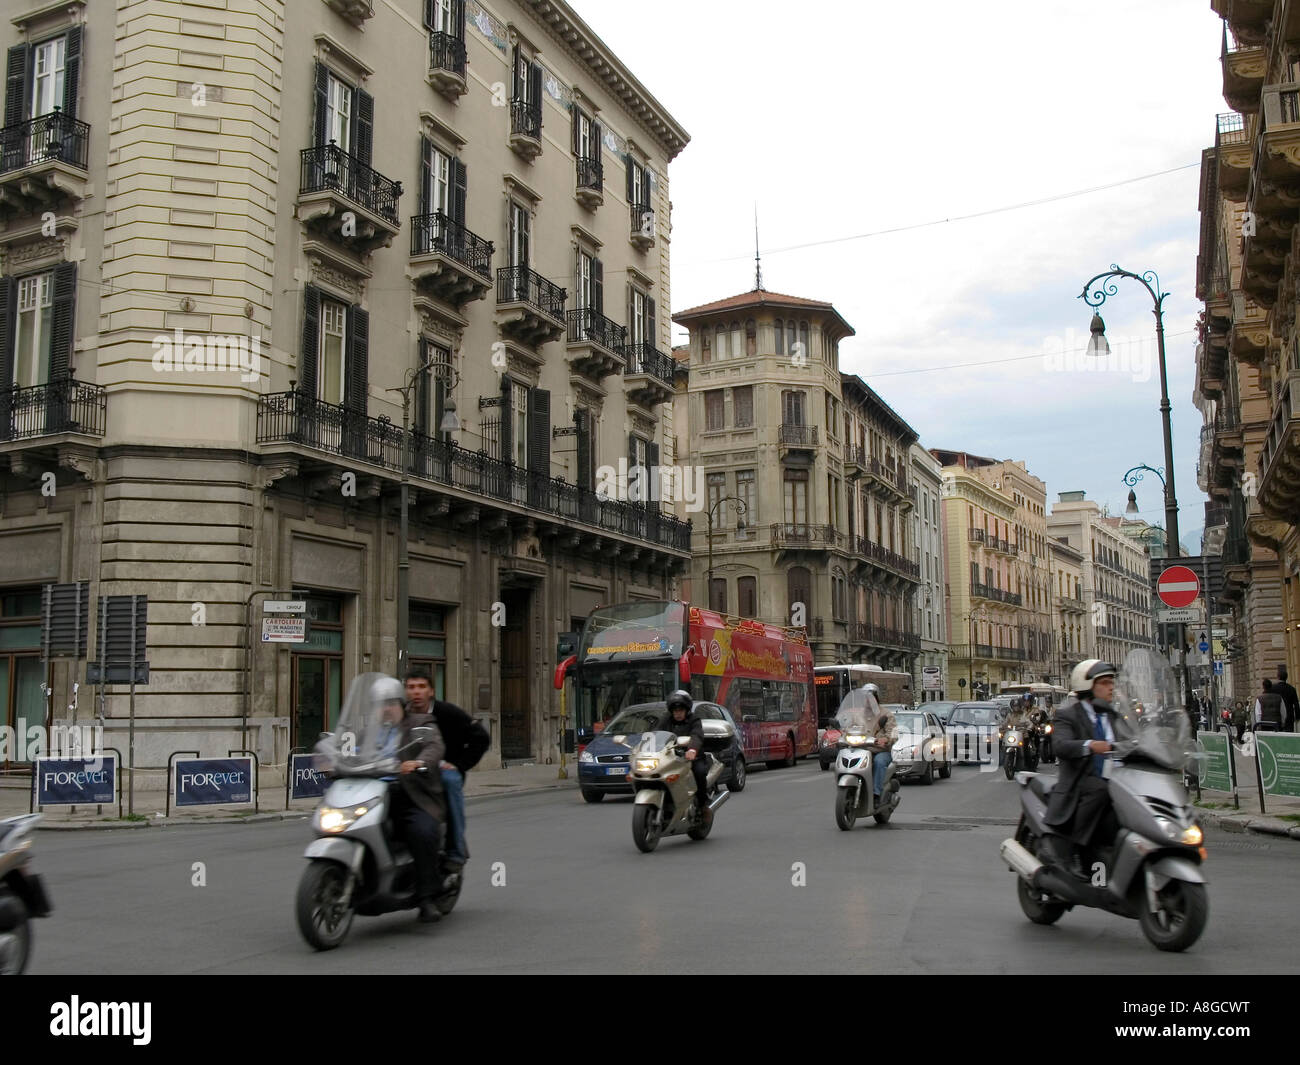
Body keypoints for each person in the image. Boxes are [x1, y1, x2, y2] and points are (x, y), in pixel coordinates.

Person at [369, 676, 447, 923]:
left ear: (401, 704)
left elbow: (434, 746)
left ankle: (426, 897)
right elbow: (348, 752)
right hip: (371, 795)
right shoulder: (366, 732)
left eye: (390, 703)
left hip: (409, 794)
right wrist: (332, 759)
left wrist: (420, 762)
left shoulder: (420, 724)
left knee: (421, 831)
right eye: (380, 704)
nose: (385, 709)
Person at [1043, 660, 1125, 880]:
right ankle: (1075, 850)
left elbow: (1130, 741)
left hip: (1117, 782)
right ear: (1088, 686)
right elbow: (1060, 746)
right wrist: (1089, 745)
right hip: (1080, 782)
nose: (1111, 687)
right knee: (1100, 788)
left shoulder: (1112, 716)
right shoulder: (1067, 715)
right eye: (1105, 683)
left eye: (1112, 682)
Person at [404, 668, 490, 876]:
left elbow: (481, 738)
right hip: (410, 770)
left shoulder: (448, 713)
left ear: (431, 691)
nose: (416, 692)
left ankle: (456, 851)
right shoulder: (401, 714)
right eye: (411, 687)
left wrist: (459, 764)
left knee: (450, 782)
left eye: (421, 687)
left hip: (443, 769)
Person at [661, 689, 709, 812]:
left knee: (699, 772)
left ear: (686, 710)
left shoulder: (694, 720)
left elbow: (697, 735)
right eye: (675, 711)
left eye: (680, 710)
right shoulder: (666, 720)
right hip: (671, 757)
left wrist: (692, 750)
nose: (678, 713)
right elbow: (656, 733)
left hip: (692, 757)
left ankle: (703, 805)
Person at [866, 696, 899, 805]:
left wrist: (886, 739)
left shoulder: (886, 714)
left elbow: (893, 733)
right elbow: (851, 727)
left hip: (881, 751)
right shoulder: (859, 715)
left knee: (879, 762)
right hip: (863, 749)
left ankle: (876, 794)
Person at [1274, 666, 1299, 733]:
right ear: (1286, 678)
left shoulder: (1273, 688)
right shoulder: (1292, 689)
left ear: (1278, 677)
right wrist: (1297, 716)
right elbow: (1296, 704)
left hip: (1277, 716)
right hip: (1289, 717)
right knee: (1289, 735)